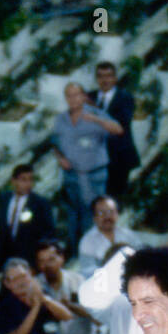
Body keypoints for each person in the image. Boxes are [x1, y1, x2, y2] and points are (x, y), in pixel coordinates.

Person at [52, 82, 124, 254]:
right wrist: (60, 158)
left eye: (76, 94)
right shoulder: (60, 119)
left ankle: (92, 251)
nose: (73, 99)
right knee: (72, 213)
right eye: (69, 95)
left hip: (93, 175)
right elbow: (54, 143)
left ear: (83, 96)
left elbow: (118, 130)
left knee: (92, 214)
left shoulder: (95, 113)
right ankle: (74, 248)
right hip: (72, 176)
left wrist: (97, 120)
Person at [0, 163, 57, 275]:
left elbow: (48, 235)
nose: (28, 184)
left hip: (30, 263)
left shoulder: (40, 204)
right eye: (23, 180)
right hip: (7, 262)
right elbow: (2, 232)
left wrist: (37, 265)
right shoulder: (5, 199)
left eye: (30, 180)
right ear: (13, 181)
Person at [90, 61, 141, 200]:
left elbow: (119, 125)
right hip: (94, 159)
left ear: (115, 78)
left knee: (115, 198)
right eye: (101, 76)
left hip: (118, 158)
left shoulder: (125, 98)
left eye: (108, 76)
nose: (105, 80)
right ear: (96, 79)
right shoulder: (89, 97)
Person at [77, 195, 143, 278]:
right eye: (101, 213)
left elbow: (142, 256)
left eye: (111, 212)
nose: (107, 216)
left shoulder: (128, 235)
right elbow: (88, 273)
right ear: (94, 218)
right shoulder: (87, 242)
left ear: (117, 214)